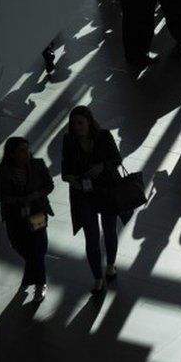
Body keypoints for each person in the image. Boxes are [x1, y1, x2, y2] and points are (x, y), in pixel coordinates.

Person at [60, 106, 122, 294]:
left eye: (80, 122)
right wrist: (71, 179)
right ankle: (97, 277)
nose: (77, 127)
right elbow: (65, 171)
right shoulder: (69, 141)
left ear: (89, 122)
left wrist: (101, 167)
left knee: (110, 230)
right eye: (74, 124)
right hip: (84, 193)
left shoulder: (103, 136)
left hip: (105, 190)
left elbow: (116, 159)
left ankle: (110, 265)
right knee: (92, 237)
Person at [0, 137, 54, 302]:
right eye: (21, 151)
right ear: (12, 154)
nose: (26, 153)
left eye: (27, 149)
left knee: (39, 247)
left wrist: (35, 195)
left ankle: (40, 284)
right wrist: (15, 200)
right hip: (15, 216)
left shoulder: (37, 165)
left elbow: (49, 185)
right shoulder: (0, 171)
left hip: (36, 213)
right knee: (19, 245)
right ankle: (31, 274)